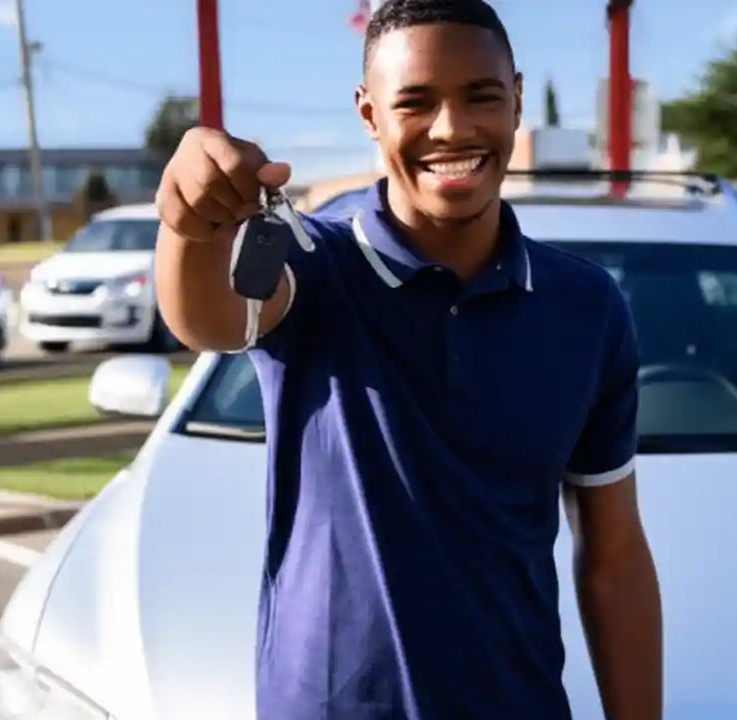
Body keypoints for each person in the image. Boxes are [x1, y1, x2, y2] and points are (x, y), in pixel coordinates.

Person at [152, 0, 663, 718]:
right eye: (415, 103)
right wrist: (187, 224)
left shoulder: (587, 306)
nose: (451, 128)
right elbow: (204, 318)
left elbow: (612, 559)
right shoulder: (311, 260)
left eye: (481, 97)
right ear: (369, 115)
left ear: (517, 99)